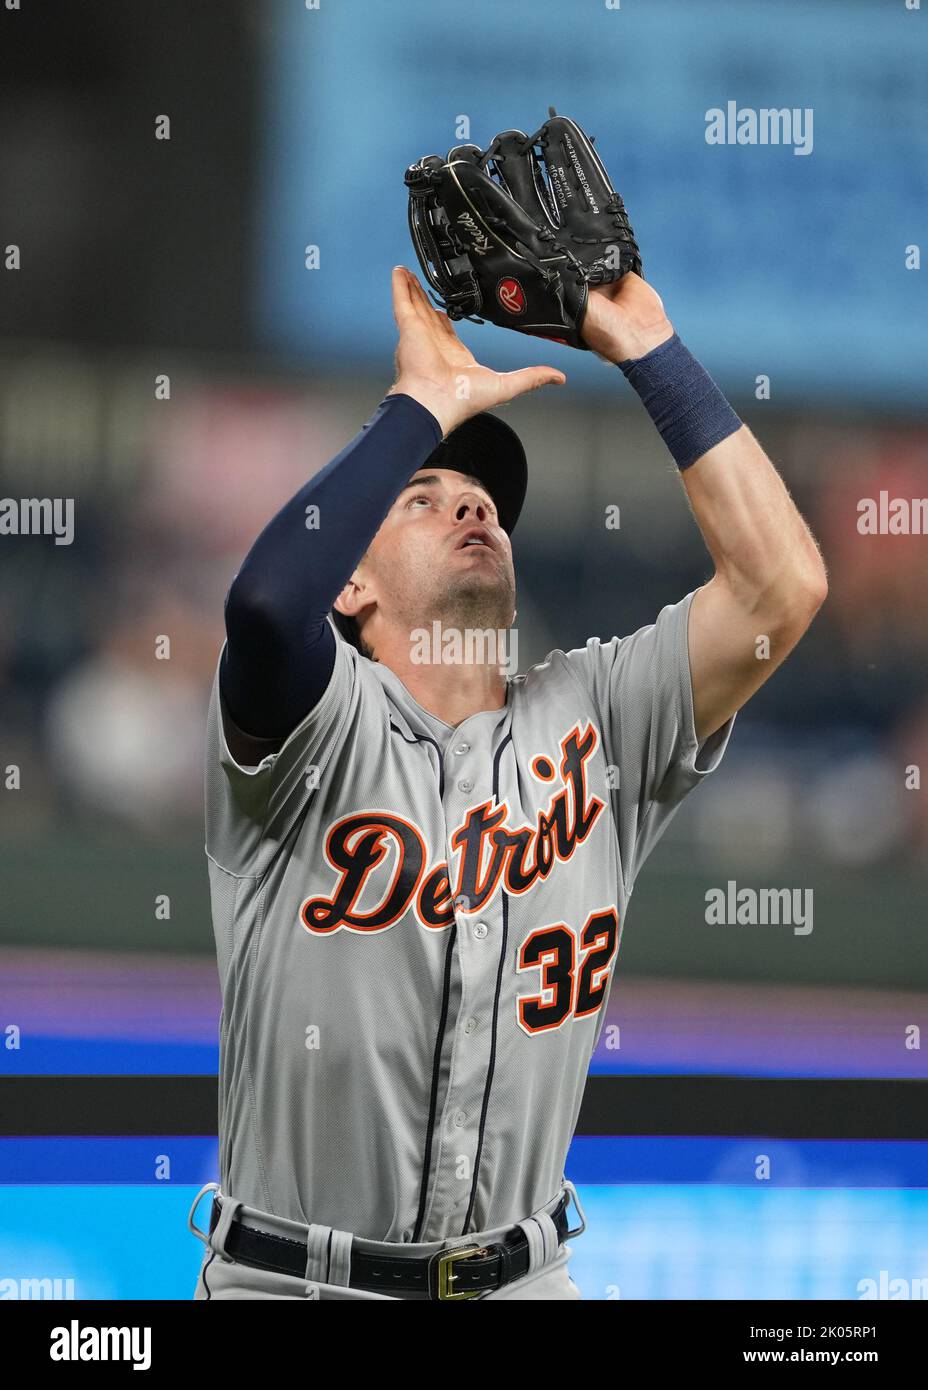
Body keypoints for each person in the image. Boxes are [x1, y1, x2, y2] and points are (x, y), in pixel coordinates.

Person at [188, 265, 827, 1300]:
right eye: (422, 497)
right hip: (292, 1284)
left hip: (524, 1281)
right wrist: (420, 403)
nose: (472, 505)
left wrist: (648, 347)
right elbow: (264, 607)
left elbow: (782, 587)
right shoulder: (315, 726)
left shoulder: (601, 714)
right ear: (349, 582)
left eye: (483, 499)